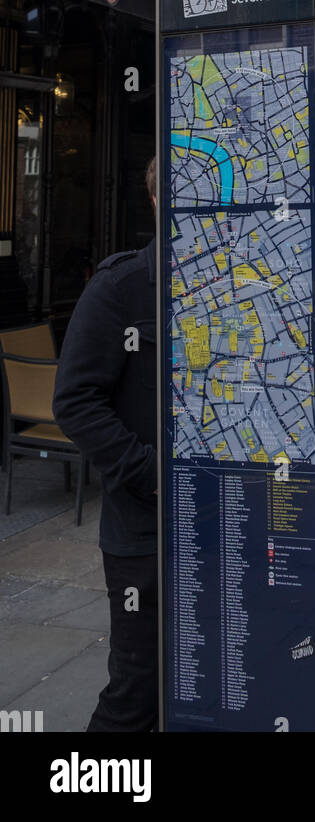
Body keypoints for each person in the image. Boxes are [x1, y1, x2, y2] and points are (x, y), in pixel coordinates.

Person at [52, 158, 158, 732]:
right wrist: (149, 471)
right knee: (137, 692)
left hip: (228, 525)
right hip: (145, 535)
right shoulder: (119, 287)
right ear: (156, 200)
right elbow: (74, 401)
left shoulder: (236, 284)